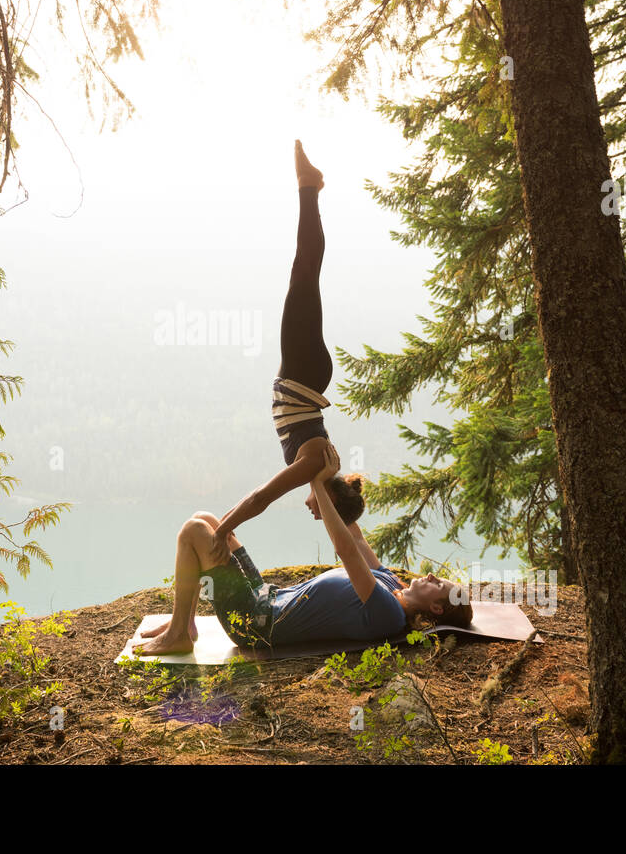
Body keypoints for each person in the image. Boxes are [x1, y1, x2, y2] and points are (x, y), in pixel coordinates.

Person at [134, 444, 473, 656]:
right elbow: (354, 537)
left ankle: (178, 635)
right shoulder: (390, 583)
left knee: (193, 531)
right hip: (263, 596)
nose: (430, 575)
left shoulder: (387, 613)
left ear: (436, 609)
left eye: (438, 583)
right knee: (206, 519)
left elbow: (345, 550)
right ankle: (187, 624)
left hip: (254, 624)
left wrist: (315, 481)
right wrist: (327, 477)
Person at [206, 141, 364, 565]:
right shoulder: (315, 465)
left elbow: (355, 538)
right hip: (302, 374)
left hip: (307, 375)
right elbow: (263, 497)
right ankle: (308, 188)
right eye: (321, 511)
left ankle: (309, 188)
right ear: (330, 496)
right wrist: (223, 529)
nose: (314, 513)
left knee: (306, 274)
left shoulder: (326, 467)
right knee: (304, 272)